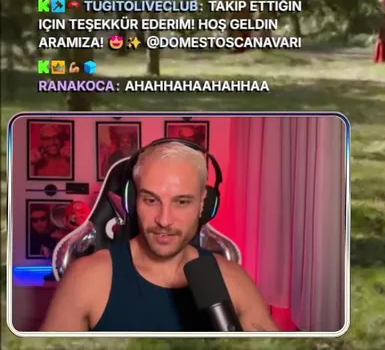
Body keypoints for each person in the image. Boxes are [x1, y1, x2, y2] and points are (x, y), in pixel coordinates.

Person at [39, 142, 278, 332]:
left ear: (203, 205)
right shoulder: (85, 278)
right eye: (151, 200)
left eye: (182, 202)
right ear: (133, 201)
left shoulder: (234, 280)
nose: (164, 220)